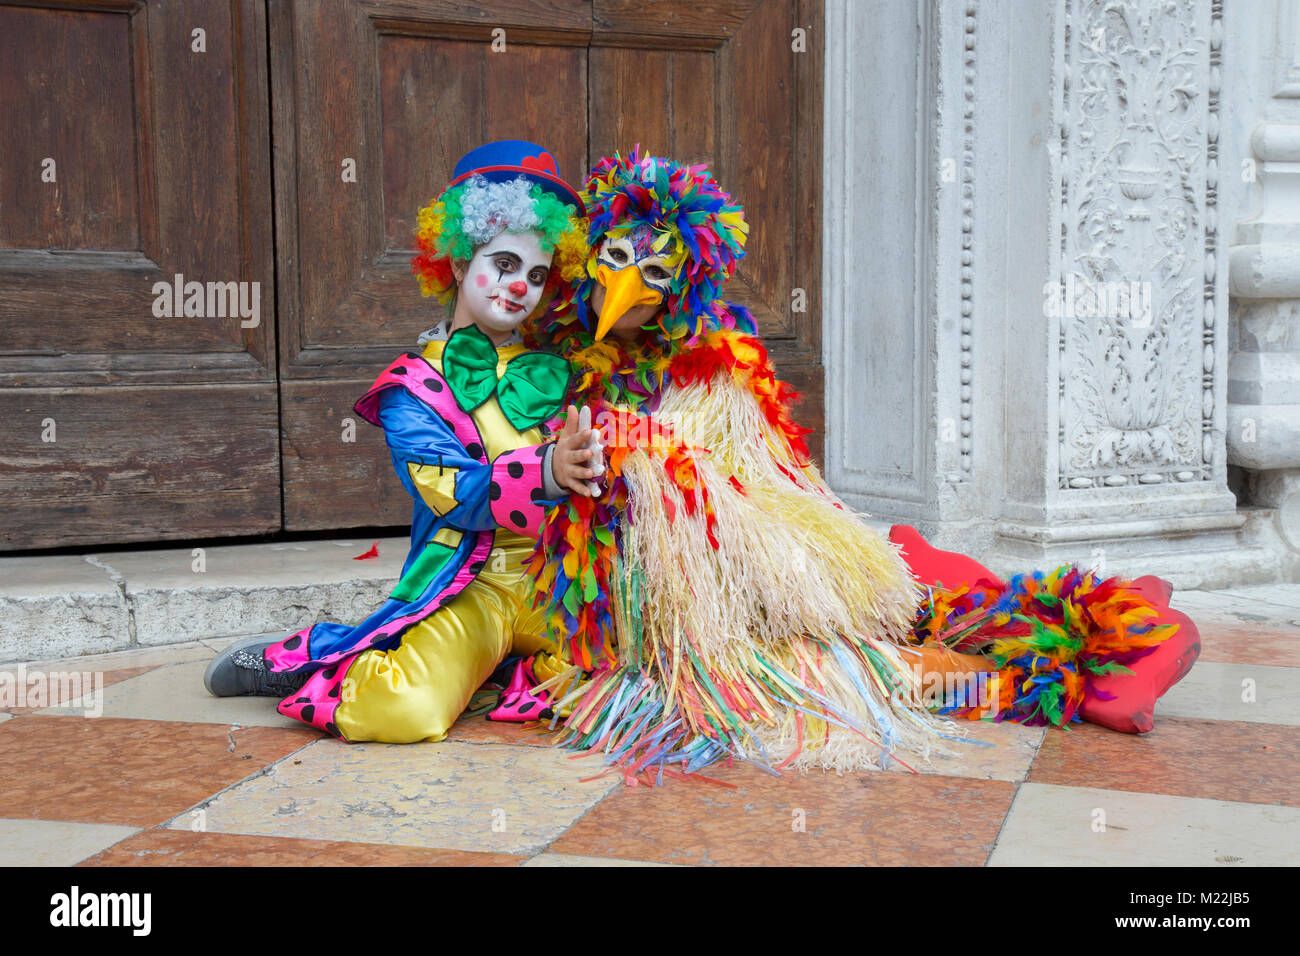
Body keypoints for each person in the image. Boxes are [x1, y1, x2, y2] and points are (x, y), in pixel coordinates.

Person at [501, 149, 1193, 783]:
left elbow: (750, 486)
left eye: (656, 270)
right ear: (586, 254)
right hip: (641, 600)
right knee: (821, 655)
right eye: (615, 255)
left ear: (683, 284)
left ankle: (1101, 641)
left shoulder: (715, 369)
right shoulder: (542, 362)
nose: (629, 283)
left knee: (872, 628)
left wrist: (644, 456)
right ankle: (1067, 660)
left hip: (742, 569)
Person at [204, 140, 603, 744]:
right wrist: (546, 472)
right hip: (477, 587)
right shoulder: (411, 387)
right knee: (404, 712)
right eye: (503, 264)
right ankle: (315, 660)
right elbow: (449, 493)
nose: (519, 286)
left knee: (661, 676)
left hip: (561, 587)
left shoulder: (564, 371)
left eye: (537, 274)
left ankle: (495, 672)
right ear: (459, 258)